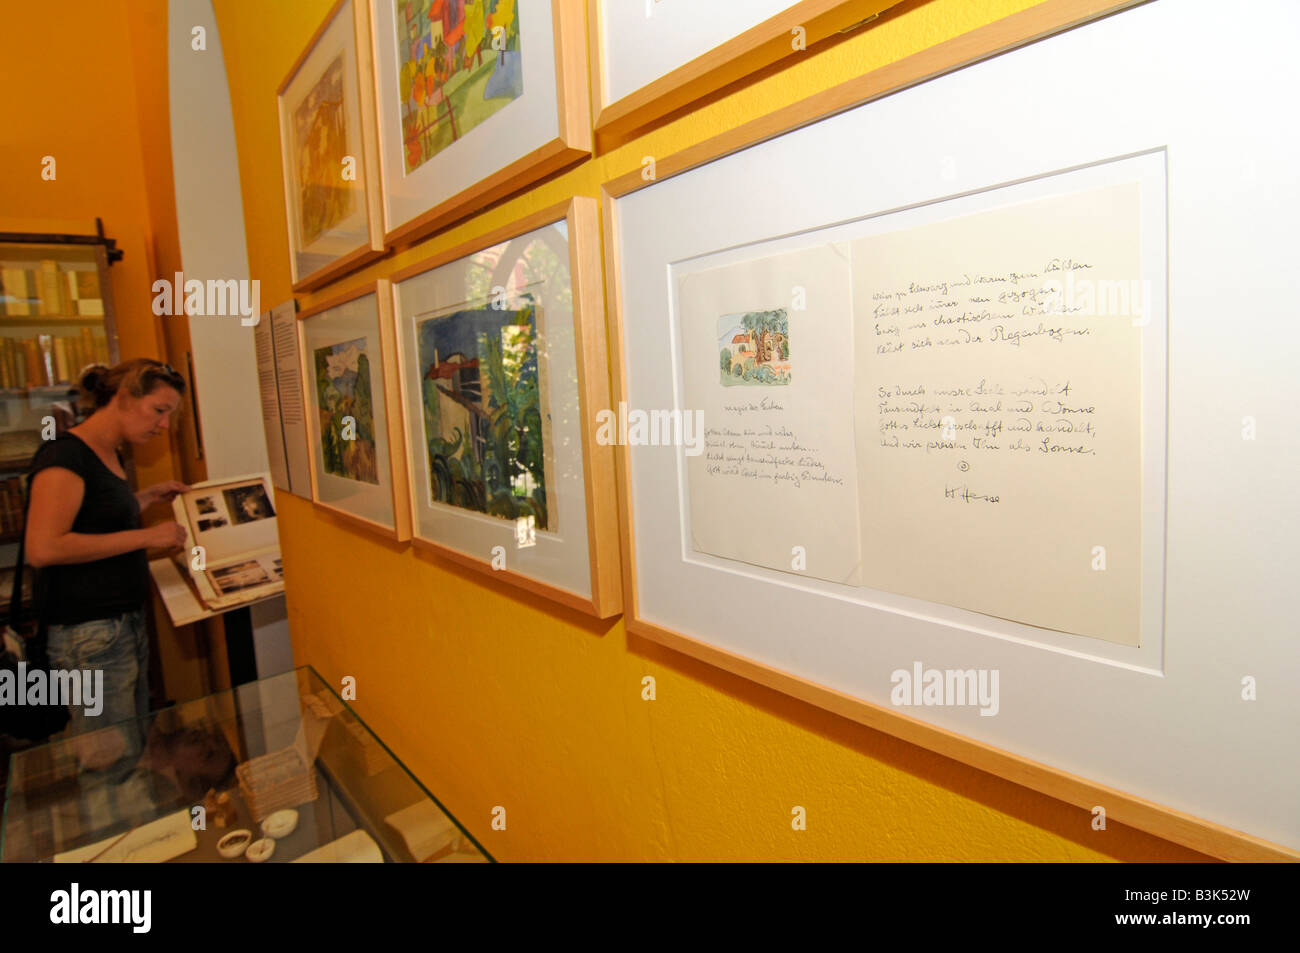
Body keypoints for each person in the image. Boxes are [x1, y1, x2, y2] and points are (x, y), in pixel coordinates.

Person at [24, 358, 190, 752]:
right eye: (159, 411)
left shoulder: (108, 451)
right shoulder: (67, 456)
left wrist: (144, 499)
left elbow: (92, 518)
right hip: (89, 635)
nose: (164, 425)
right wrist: (145, 537)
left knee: (130, 745)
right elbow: (44, 547)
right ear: (125, 397)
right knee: (108, 757)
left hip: (118, 625)